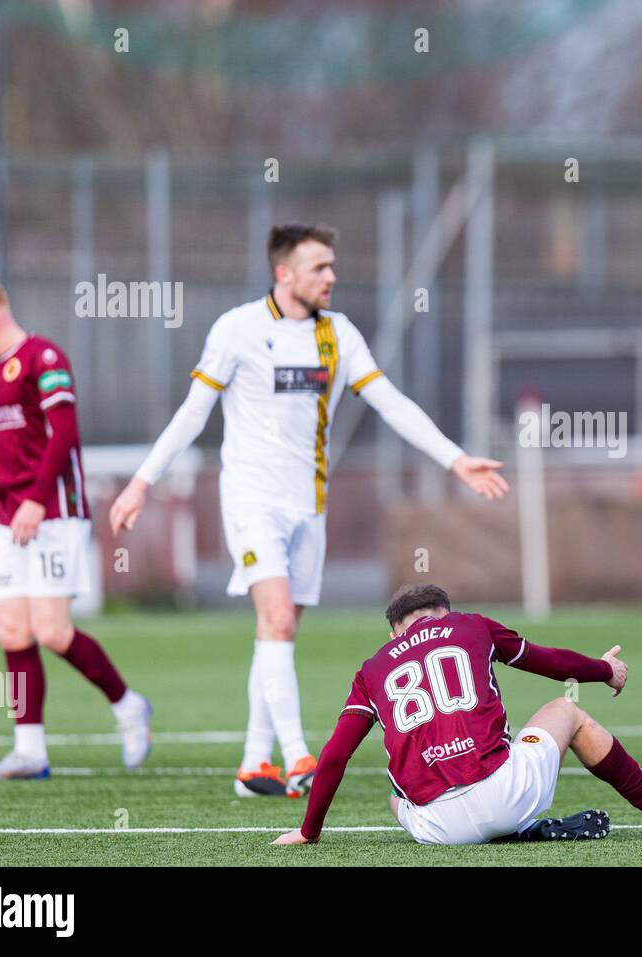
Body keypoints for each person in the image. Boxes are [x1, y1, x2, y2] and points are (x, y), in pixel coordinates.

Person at [109, 225, 509, 799]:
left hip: (309, 507)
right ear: (284, 274)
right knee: (275, 619)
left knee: (279, 631)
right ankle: (299, 758)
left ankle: (253, 764)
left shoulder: (338, 333)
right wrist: (142, 483)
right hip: (251, 500)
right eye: (319, 267)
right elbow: (193, 412)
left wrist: (454, 459)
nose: (331, 277)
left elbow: (388, 400)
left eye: (332, 266)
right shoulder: (238, 329)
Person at [272, 584, 642, 846]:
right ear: (445, 614)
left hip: (436, 827)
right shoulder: (469, 625)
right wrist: (604, 670)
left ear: (393, 632)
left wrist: (309, 831)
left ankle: (513, 829)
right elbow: (547, 661)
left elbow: (333, 756)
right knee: (564, 710)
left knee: (394, 795)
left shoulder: (371, 668)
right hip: (506, 793)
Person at [0, 274, 152, 782]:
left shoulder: (44, 359)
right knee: (12, 630)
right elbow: (0, 454)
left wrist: (35, 501)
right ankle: (29, 751)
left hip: (54, 514)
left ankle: (128, 705)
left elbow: (65, 435)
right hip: (11, 519)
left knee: (53, 632)